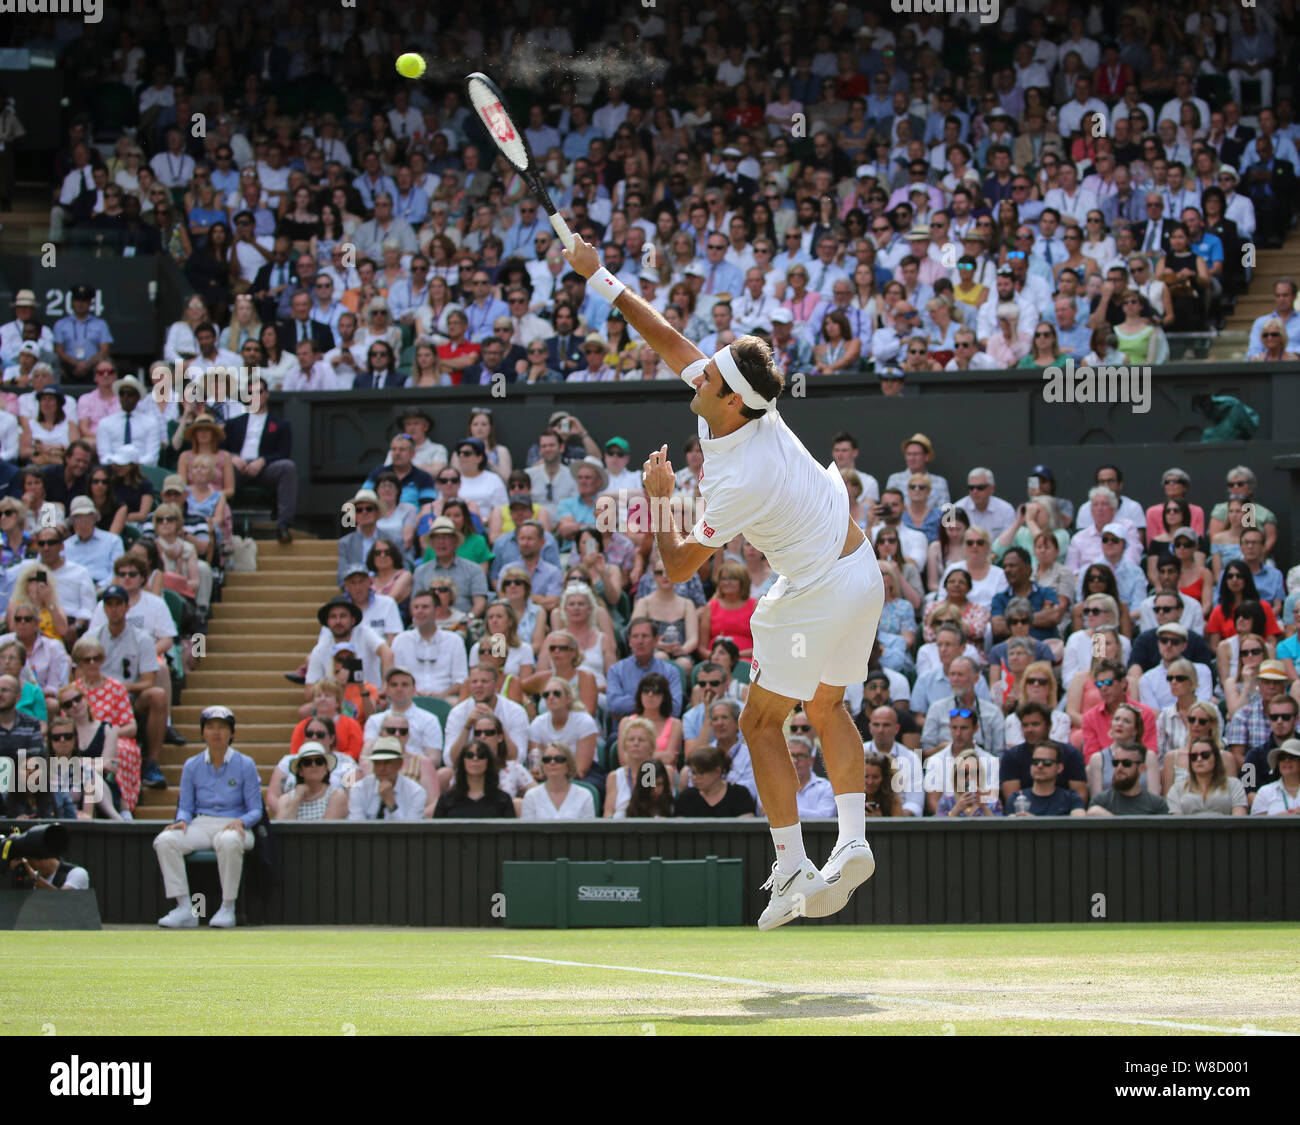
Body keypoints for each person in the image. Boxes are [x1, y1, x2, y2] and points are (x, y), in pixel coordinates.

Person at [566, 231, 883, 927]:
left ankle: (794, 859)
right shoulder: (740, 403)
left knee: (758, 720)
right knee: (827, 708)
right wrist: (600, 277)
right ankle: (854, 837)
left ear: (731, 403)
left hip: (822, 587)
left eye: (710, 377)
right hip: (864, 572)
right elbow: (670, 337)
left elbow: (678, 571)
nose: (697, 372)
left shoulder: (739, 478)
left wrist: (657, 496)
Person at [153, 706, 261, 929]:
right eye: (210, 727)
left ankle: (227, 907)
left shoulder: (246, 764)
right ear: (202, 732)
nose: (216, 732)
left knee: (229, 841)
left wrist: (242, 822)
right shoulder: (191, 765)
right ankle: (184, 908)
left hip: (234, 825)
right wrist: (182, 820)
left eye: (222, 727)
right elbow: (185, 806)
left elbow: (255, 810)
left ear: (232, 733)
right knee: (165, 841)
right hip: (200, 824)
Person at [433, 737, 515, 818]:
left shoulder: (503, 800)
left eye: (481, 755)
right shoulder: (446, 800)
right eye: (469, 755)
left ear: (488, 761)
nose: (475, 759)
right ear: (463, 761)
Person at [1165, 736, 1248, 816]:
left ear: (1216, 758)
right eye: (1193, 756)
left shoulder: (1234, 785)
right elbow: (1176, 825)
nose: (1199, 759)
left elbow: (1239, 821)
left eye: (1205, 755)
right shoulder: (1177, 789)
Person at [348, 736, 426, 820]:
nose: (381, 768)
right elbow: (356, 828)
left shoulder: (416, 792)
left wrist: (391, 804)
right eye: (377, 763)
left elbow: (411, 831)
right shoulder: (359, 789)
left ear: (399, 764)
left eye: (387, 762)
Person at [1085, 743, 1170, 816]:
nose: (1119, 768)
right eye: (1116, 763)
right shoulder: (1101, 802)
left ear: (1141, 768)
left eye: (1126, 763)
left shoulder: (1157, 805)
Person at [674, 745, 758, 817]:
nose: (695, 777)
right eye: (693, 772)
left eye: (701, 773)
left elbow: (746, 825)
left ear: (717, 771)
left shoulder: (739, 794)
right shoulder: (687, 797)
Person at [520, 741, 597, 819]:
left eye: (559, 759)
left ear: (569, 765)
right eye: (547, 759)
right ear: (542, 766)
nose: (552, 762)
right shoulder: (531, 796)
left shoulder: (584, 795)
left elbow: (588, 830)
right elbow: (528, 830)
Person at [274, 742, 349, 821]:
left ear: (326, 769)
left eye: (319, 761)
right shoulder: (286, 799)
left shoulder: (336, 795)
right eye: (307, 762)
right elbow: (283, 829)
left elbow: (327, 830)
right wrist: (297, 798)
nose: (314, 765)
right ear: (300, 771)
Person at [1250, 740, 1300, 817]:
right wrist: (1281, 817)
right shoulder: (1265, 792)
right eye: (1282, 758)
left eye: (1292, 757)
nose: (1287, 761)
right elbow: (1255, 826)